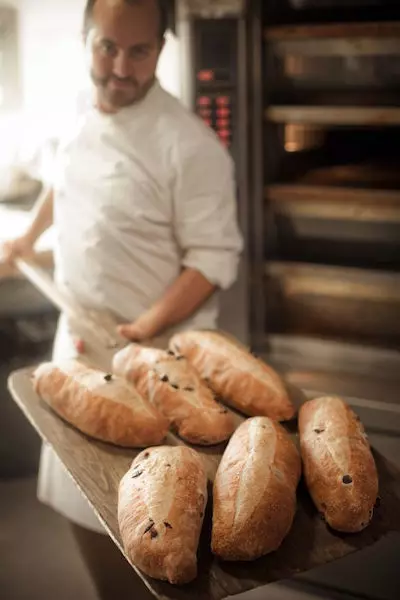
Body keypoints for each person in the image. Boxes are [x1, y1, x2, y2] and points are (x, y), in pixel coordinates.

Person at [2, 0, 243, 597]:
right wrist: (27, 241)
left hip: (152, 365)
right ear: (85, 41)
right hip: (80, 343)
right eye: (107, 47)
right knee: (77, 501)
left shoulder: (188, 145)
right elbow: (64, 178)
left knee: (153, 539)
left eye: (139, 51)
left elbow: (214, 259)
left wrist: (145, 327)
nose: (120, 67)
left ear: (161, 50)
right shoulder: (81, 110)